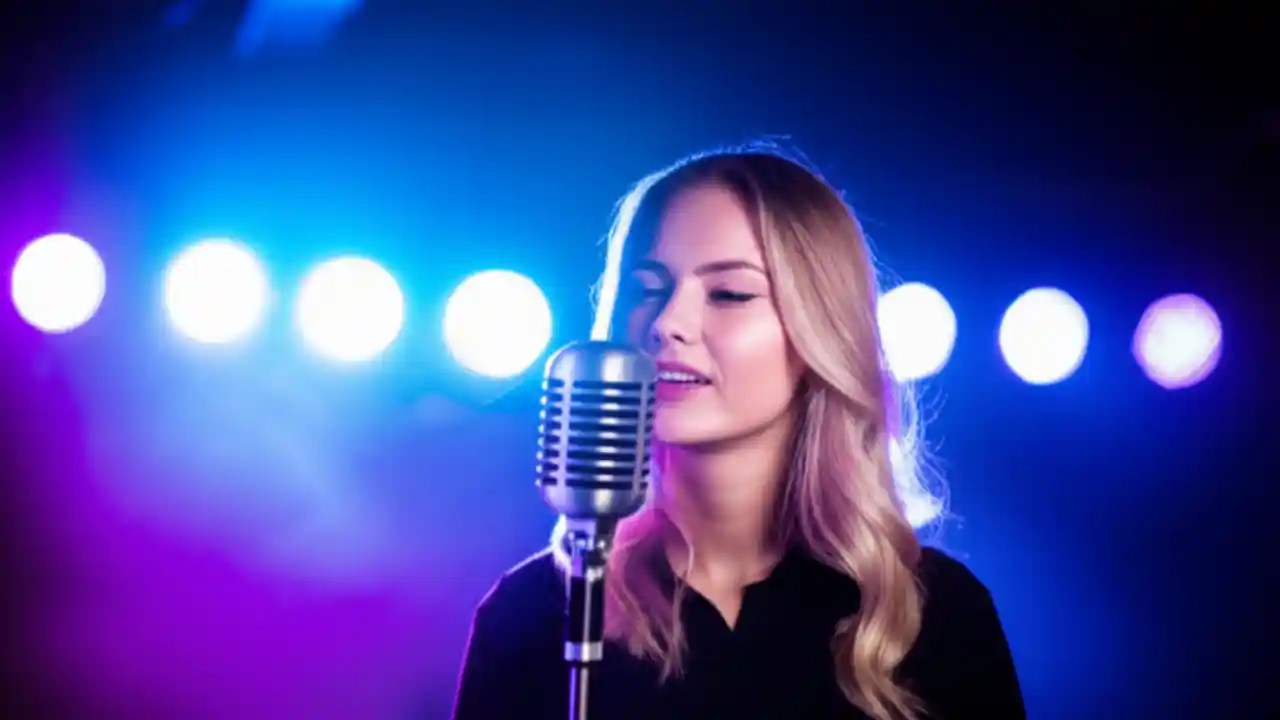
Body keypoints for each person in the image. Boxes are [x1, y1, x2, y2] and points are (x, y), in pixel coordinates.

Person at [451, 146, 1025, 720]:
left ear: (816, 331)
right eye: (647, 289)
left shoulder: (937, 616)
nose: (667, 323)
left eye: (729, 293)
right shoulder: (536, 614)